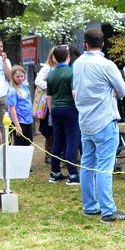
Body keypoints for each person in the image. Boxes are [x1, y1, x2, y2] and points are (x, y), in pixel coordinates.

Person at [73, 28, 125, 222]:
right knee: (104, 167)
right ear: (103, 44)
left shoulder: (78, 63)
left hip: (85, 120)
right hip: (104, 120)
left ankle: (90, 205)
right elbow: (122, 91)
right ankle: (108, 210)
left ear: (85, 44)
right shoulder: (107, 65)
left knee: (87, 164)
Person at [46, 46, 80, 185]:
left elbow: (49, 97)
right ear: (68, 57)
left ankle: (55, 172)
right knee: (72, 140)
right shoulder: (71, 72)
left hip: (55, 109)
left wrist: (52, 110)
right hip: (70, 109)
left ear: (54, 58)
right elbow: (74, 93)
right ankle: (72, 174)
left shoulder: (51, 74)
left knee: (58, 140)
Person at [6, 65, 34, 146]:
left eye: (22, 76)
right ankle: (16, 158)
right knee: (19, 143)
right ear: (13, 76)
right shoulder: (12, 91)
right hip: (19, 121)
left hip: (27, 120)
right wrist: (17, 126)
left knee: (28, 141)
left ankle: (24, 158)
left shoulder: (25, 87)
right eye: (17, 76)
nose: (20, 78)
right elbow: (12, 109)